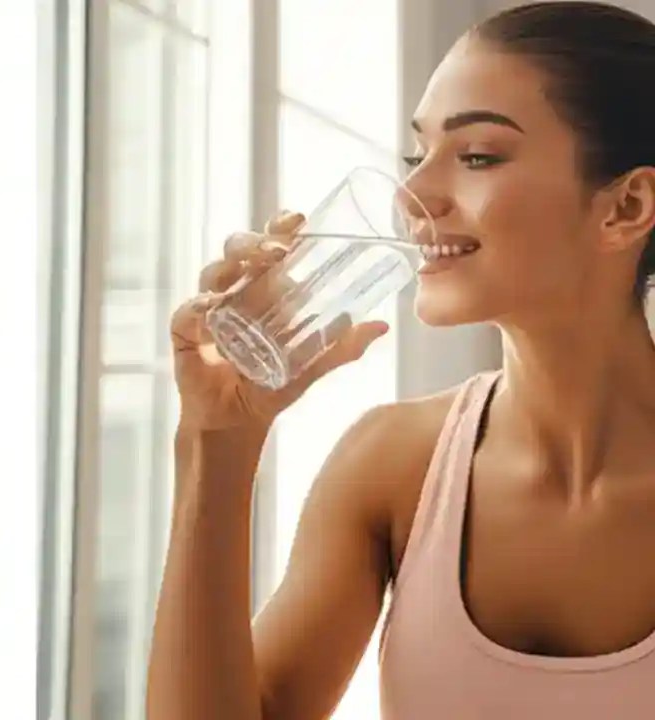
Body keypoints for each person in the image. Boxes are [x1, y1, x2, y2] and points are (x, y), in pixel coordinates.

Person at [146, 2, 655, 719]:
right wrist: (217, 439)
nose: (413, 195)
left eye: (477, 155)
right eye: (420, 155)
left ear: (627, 206)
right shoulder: (394, 469)